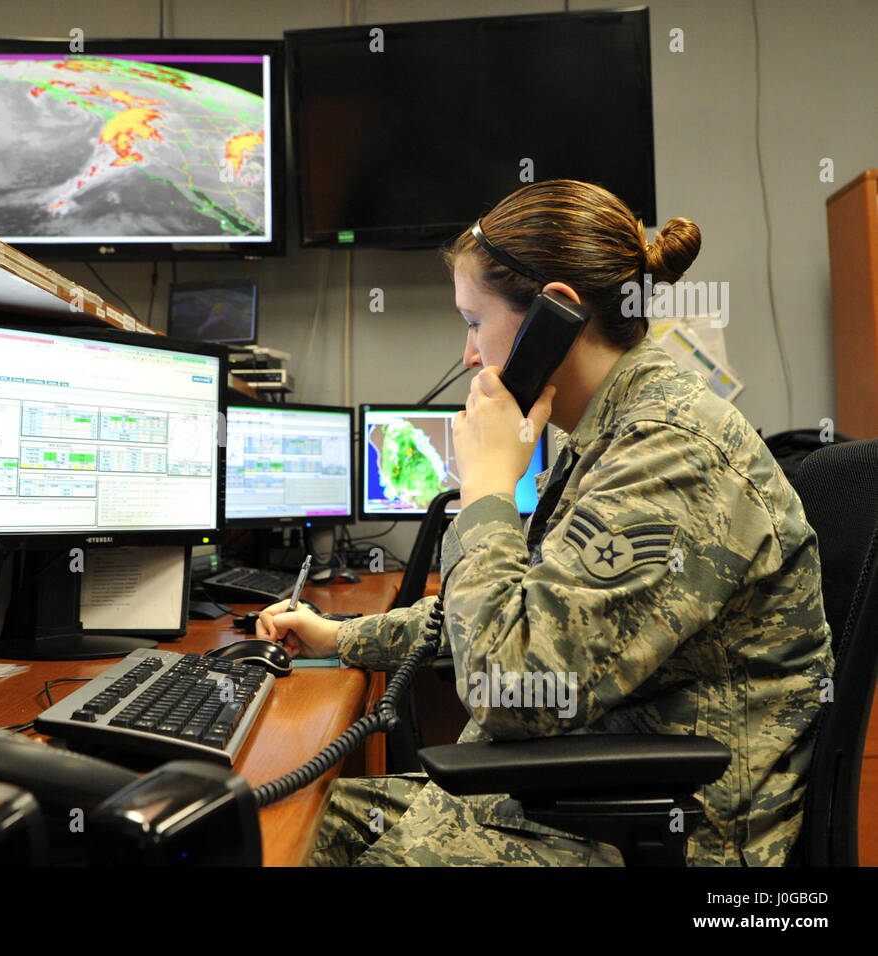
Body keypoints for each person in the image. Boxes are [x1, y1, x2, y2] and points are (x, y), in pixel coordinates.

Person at [256, 179, 834, 866]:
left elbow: (509, 687)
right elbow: (520, 611)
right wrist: (344, 636)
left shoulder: (671, 454)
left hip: (662, 828)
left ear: (553, 312)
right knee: (286, 820)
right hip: (583, 784)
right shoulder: (608, 431)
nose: (470, 354)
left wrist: (488, 489)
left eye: (474, 322)